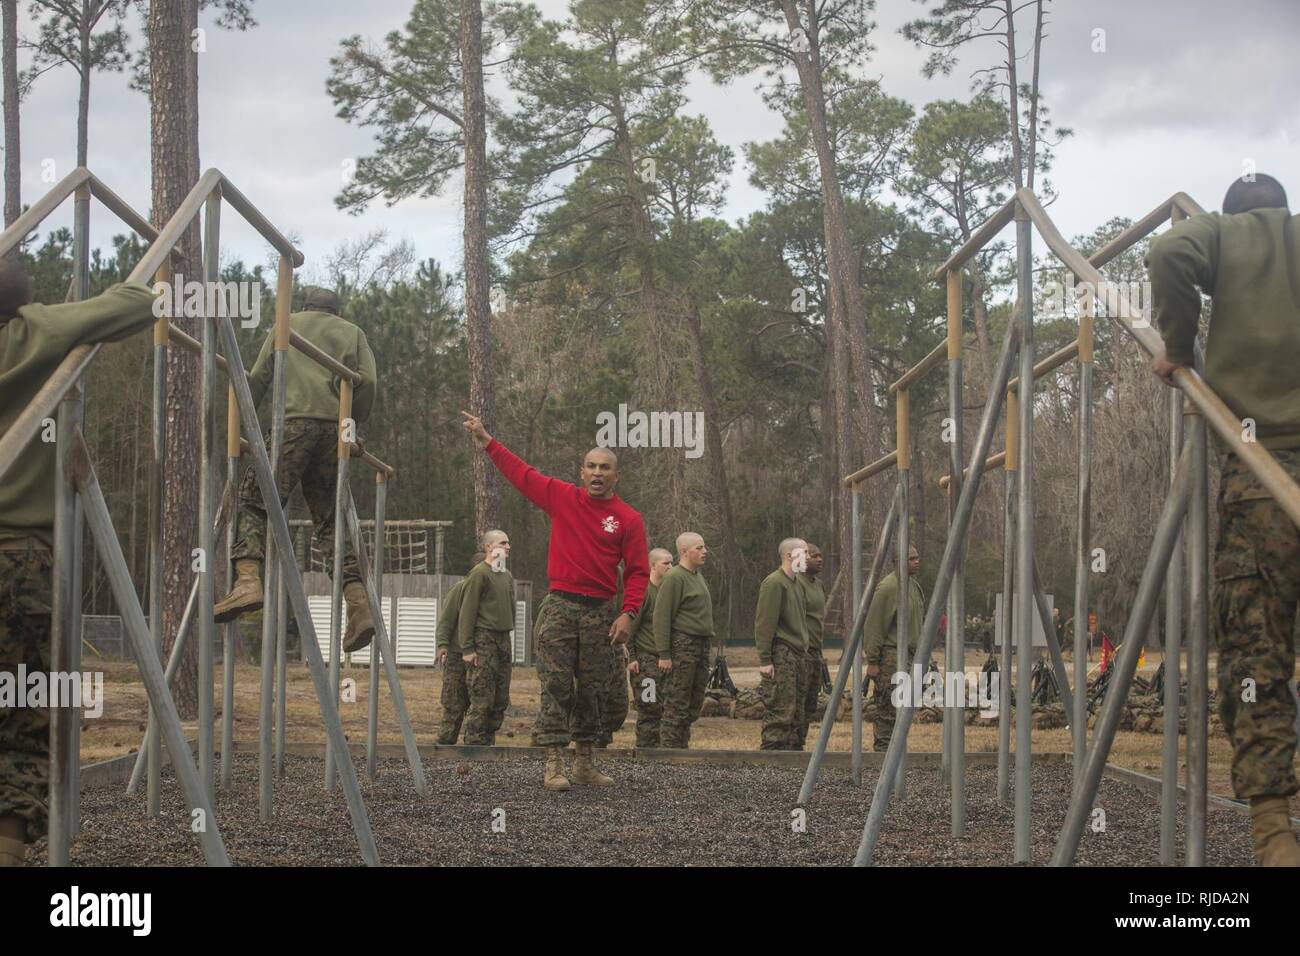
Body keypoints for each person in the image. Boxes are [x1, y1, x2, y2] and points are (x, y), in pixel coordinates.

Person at [1149, 172, 1300, 865]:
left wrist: (1180, 349)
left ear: (1235, 215)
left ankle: (1274, 832)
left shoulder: (1224, 233)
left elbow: (1169, 252)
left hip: (1261, 472)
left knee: (1256, 656)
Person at [0, 263, 158, 866]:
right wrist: (46, 316)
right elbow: (139, 301)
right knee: (22, 724)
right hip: (22, 563)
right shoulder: (34, 334)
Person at [462, 412, 649, 790]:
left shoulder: (628, 519)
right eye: (591, 466)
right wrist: (487, 441)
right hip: (560, 607)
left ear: (616, 475)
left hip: (600, 612)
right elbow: (523, 474)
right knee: (556, 686)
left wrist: (629, 613)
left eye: (605, 468)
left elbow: (638, 572)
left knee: (592, 689)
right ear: (582, 472)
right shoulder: (563, 498)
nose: (597, 473)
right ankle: (553, 763)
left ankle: (584, 762)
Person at [215, 286, 379, 654]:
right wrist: (351, 425)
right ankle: (358, 605)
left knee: (254, 500)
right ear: (336, 312)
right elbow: (368, 382)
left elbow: (258, 377)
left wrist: (242, 424)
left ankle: (247, 580)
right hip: (333, 432)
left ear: (304, 307)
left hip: (291, 425)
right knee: (329, 521)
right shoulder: (352, 333)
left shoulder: (285, 325)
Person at [656, 533, 715, 748]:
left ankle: (681, 750)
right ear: (684, 551)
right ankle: (669, 753)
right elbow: (661, 616)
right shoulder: (674, 578)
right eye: (699, 548)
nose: (704, 552)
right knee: (676, 703)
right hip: (683, 647)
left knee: (693, 702)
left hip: (700, 646)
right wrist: (664, 654)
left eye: (704, 547)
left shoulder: (697, 576)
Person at [864, 544, 923, 752]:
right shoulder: (888, 588)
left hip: (910, 656)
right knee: (888, 710)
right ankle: (883, 756)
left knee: (903, 710)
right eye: (911, 558)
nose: (917, 562)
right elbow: (874, 626)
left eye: (917, 558)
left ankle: (896, 755)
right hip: (892, 657)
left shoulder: (913, 586)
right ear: (898, 562)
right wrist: (872, 661)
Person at [458, 532, 515, 746]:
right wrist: (467, 648)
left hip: (503, 639)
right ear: (489, 547)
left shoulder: (507, 576)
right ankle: (474, 742)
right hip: (484, 639)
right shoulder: (479, 574)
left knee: (501, 695)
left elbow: (510, 609)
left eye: (508, 543)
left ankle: (489, 740)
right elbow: (467, 612)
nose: (508, 546)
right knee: (482, 693)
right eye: (503, 543)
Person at [753, 538, 809, 750]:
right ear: (789, 556)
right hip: (782, 654)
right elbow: (765, 623)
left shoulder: (797, 584)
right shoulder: (774, 583)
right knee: (780, 710)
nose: (808, 557)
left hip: (797, 654)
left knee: (797, 712)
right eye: (804, 552)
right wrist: (765, 660)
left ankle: (792, 756)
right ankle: (772, 756)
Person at [434, 550, 485, 745]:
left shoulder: (492, 593)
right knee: (453, 698)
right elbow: (447, 619)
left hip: (481, 653)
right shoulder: (461, 588)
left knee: (480, 699)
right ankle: (446, 739)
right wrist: (442, 644)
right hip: (457, 652)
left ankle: (476, 740)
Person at [628, 548, 673, 747]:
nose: (670, 567)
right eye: (665, 563)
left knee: (666, 708)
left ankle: (663, 750)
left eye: (672, 563)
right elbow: (631, 627)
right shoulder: (644, 592)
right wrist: (632, 658)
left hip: (665, 660)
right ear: (652, 566)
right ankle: (646, 750)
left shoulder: (667, 591)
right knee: (649, 708)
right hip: (646, 661)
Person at [795, 543, 827, 749]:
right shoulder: (796, 583)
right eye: (814, 556)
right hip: (801, 651)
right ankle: (791, 746)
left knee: (810, 703)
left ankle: (800, 744)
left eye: (820, 555)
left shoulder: (818, 585)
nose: (819, 559)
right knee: (797, 701)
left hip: (816, 651)